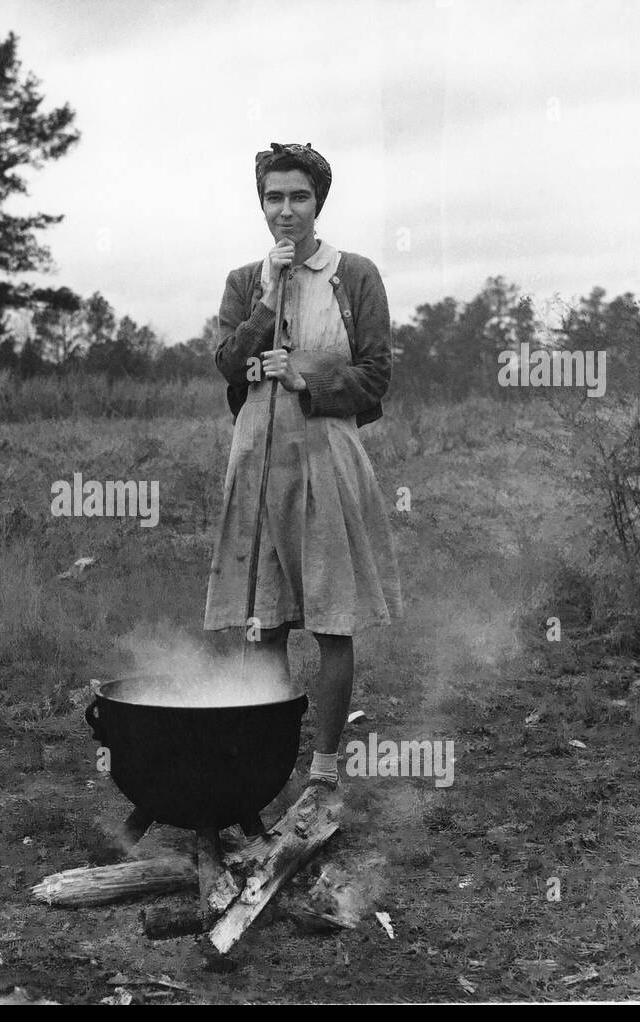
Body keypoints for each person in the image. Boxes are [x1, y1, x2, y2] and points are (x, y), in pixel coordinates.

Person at [204, 142, 403, 808]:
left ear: (318, 202)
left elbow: (376, 375)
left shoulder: (356, 275)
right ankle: (268, 760)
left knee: (330, 620)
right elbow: (229, 364)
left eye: (298, 197)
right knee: (264, 619)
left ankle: (322, 768)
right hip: (257, 459)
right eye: (273, 198)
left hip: (325, 455)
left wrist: (304, 375)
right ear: (260, 203)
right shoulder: (242, 278)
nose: (285, 211)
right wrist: (264, 303)